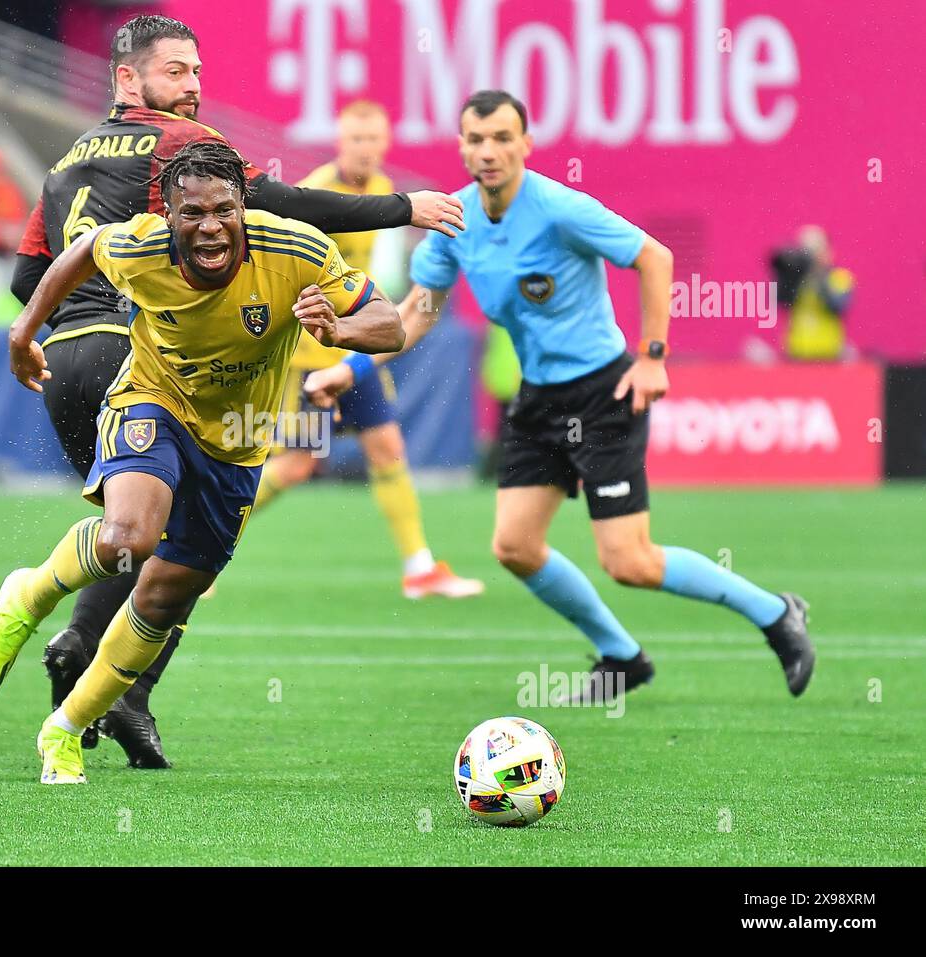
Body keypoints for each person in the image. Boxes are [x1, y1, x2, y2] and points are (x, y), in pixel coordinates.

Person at [9, 14, 465, 769]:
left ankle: (86, 652)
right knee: (177, 541)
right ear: (128, 79)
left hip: (63, 359)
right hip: (150, 359)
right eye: (177, 71)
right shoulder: (183, 148)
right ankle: (100, 667)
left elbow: (31, 274)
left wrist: (37, 328)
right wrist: (404, 208)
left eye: (197, 72)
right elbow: (278, 207)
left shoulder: (66, 162)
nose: (193, 87)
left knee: (142, 530)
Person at [307, 90, 815, 701]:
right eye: (476, 139)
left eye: (501, 138)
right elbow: (417, 312)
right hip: (539, 400)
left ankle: (775, 612)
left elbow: (655, 258)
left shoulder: (559, 207)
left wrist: (653, 358)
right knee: (515, 547)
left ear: (525, 144)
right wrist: (353, 365)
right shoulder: (455, 219)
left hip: (604, 391)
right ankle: (622, 657)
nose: (488, 151)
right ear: (462, 147)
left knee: (630, 563)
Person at [0, 141, 404, 784]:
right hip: (154, 399)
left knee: (168, 594)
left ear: (242, 208)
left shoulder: (297, 250)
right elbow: (84, 250)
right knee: (131, 539)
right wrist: (24, 330)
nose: (210, 227)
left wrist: (339, 333)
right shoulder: (139, 247)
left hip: (239, 437)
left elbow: (389, 324)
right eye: (192, 213)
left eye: (224, 211)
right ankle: (28, 596)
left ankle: (62, 730)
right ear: (168, 215)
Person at [249, 100, 483, 600]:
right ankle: (199, 553)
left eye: (373, 139)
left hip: (354, 353)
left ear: (384, 144)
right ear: (339, 142)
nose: (365, 149)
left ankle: (420, 568)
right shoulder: (317, 193)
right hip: (310, 356)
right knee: (295, 465)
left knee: (387, 449)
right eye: (356, 139)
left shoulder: (382, 193)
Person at [772, 226, 856, 361]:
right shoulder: (798, 281)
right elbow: (781, 301)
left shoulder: (840, 278)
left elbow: (836, 306)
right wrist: (787, 274)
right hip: (797, 352)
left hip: (829, 353)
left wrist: (817, 272)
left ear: (828, 251)